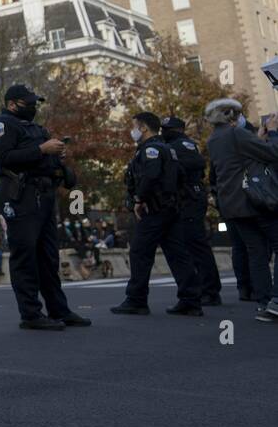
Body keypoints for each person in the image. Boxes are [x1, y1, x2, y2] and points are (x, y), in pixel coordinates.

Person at [0, 84, 91, 331]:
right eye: (28, 103)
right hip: (20, 196)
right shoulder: (0, 126)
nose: (33, 107)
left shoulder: (35, 128)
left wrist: (59, 160)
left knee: (48, 257)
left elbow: (46, 160)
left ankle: (58, 309)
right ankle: (31, 313)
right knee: (25, 256)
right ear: (12, 104)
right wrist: (42, 149)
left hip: (44, 196)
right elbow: (4, 160)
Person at [112, 112, 203, 316]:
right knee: (177, 253)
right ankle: (190, 300)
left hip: (154, 209)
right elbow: (180, 176)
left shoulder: (151, 149)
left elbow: (151, 175)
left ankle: (136, 300)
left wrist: (139, 199)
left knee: (139, 252)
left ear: (143, 127)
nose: (132, 130)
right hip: (170, 209)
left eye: (134, 126)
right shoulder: (168, 149)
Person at [205, 98, 278, 322]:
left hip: (233, 206)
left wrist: (258, 139)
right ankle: (276, 300)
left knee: (255, 253)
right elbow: (273, 153)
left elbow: (238, 158)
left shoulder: (213, 139)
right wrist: (273, 132)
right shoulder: (236, 133)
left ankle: (265, 301)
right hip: (255, 201)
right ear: (233, 116)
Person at [160, 115, 222, 306]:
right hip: (188, 197)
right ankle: (206, 288)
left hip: (191, 197)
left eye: (167, 129)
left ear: (177, 129)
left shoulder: (183, 144)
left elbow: (196, 165)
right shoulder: (180, 144)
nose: (164, 132)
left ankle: (210, 290)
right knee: (191, 243)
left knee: (195, 243)